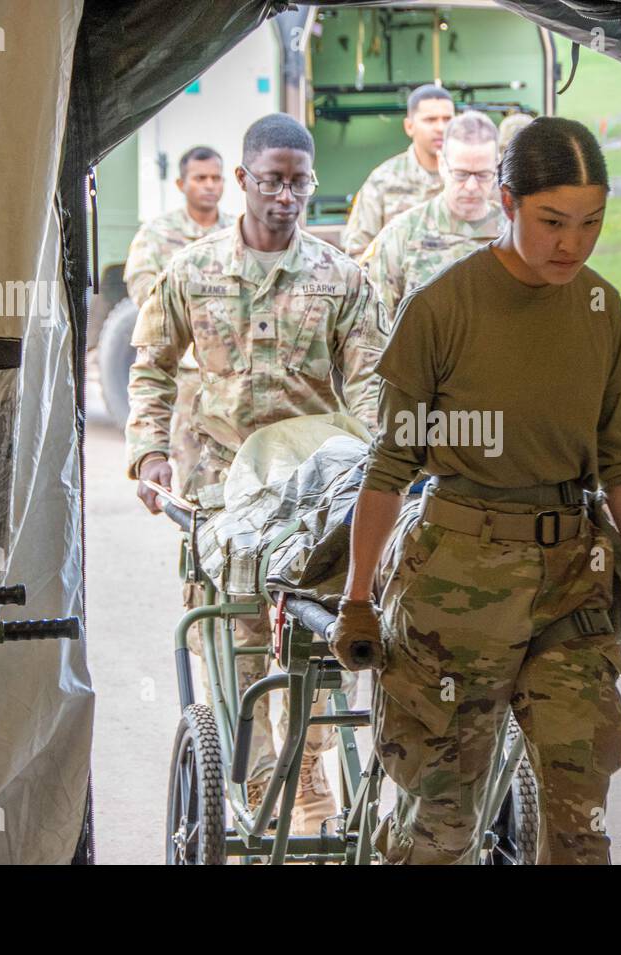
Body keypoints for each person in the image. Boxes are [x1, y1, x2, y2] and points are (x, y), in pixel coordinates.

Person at [330, 117, 621, 865]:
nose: (572, 244)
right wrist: (358, 597)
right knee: (442, 821)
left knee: (580, 816)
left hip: (572, 579)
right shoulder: (443, 307)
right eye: (553, 222)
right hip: (457, 581)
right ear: (508, 201)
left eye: (591, 224)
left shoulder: (600, 308)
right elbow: (389, 469)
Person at [126, 114, 387, 834]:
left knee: (309, 641)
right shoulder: (195, 272)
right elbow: (149, 365)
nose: (285, 195)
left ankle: (307, 776)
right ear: (243, 179)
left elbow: (371, 383)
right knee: (240, 645)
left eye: (299, 182)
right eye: (271, 180)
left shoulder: (342, 279)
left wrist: (380, 460)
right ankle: (262, 780)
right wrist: (149, 451)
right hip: (222, 490)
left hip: (310, 496)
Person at [123, 145, 234, 490]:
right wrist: (187, 313)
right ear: (181, 183)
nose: (209, 185)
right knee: (191, 473)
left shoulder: (236, 233)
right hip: (186, 373)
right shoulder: (158, 233)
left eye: (216, 178)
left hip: (230, 373)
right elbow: (141, 285)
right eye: (200, 178)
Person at [361, 110, 507, 320]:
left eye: (483, 174)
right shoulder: (402, 234)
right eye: (461, 174)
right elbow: (372, 326)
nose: (472, 186)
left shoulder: (516, 232)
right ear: (441, 164)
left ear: (496, 166)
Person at [338, 84, 454, 257]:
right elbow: (356, 250)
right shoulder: (383, 180)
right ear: (409, 127)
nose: (440, 128)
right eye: (430, 120)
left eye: (447, 119)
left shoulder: (473, 176)